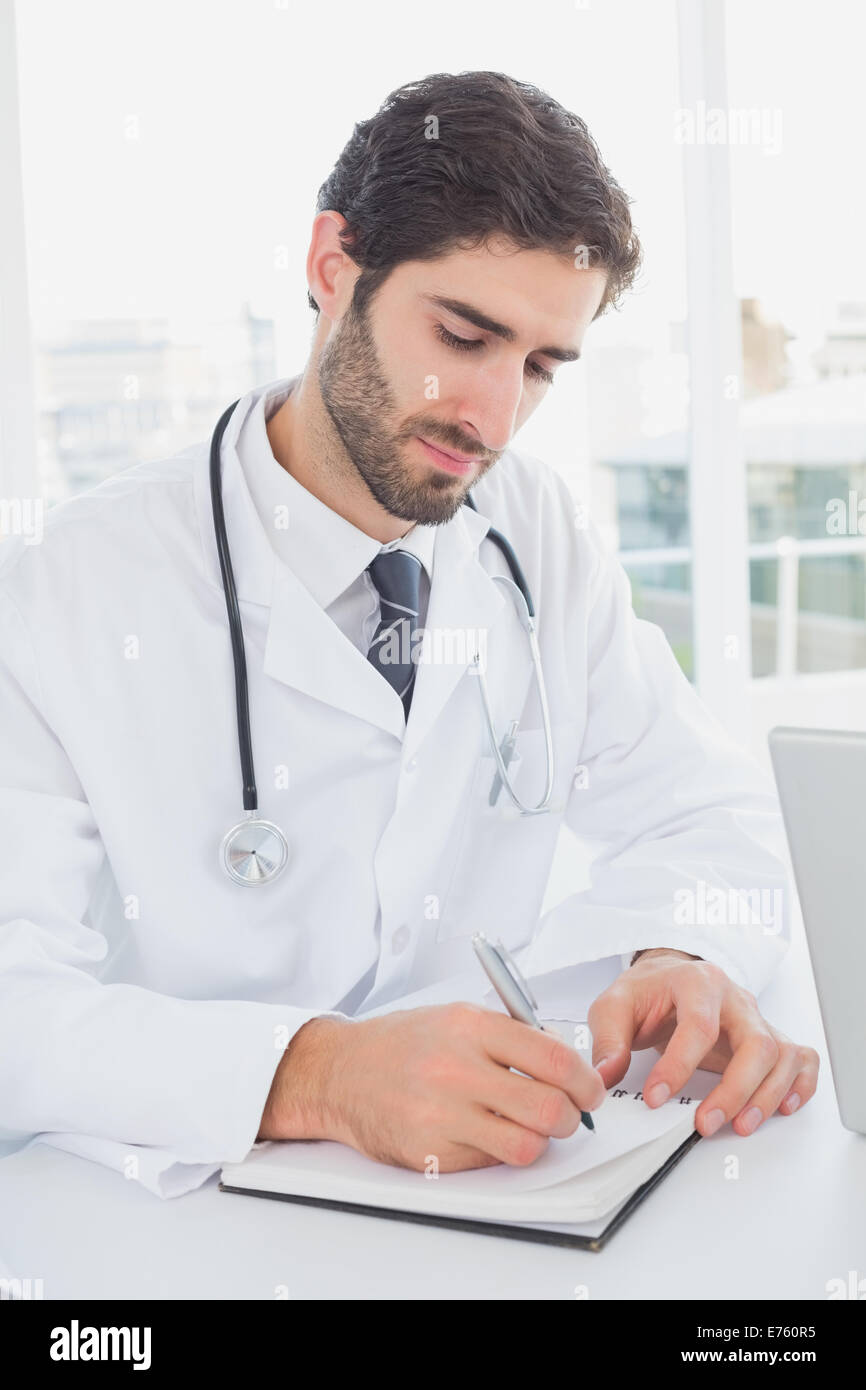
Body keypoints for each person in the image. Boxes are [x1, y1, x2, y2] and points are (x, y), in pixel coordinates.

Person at [0, 71, 818, 1198]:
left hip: (497, 1193)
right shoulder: (69, 586)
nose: (492, 416)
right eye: (462, 333)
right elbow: (14, 1001)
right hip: (182, 1226)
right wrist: (316, 1074)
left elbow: (708, 812)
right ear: (333, 265)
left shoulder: (534, 535)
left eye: (538, 367)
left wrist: (675, 951)